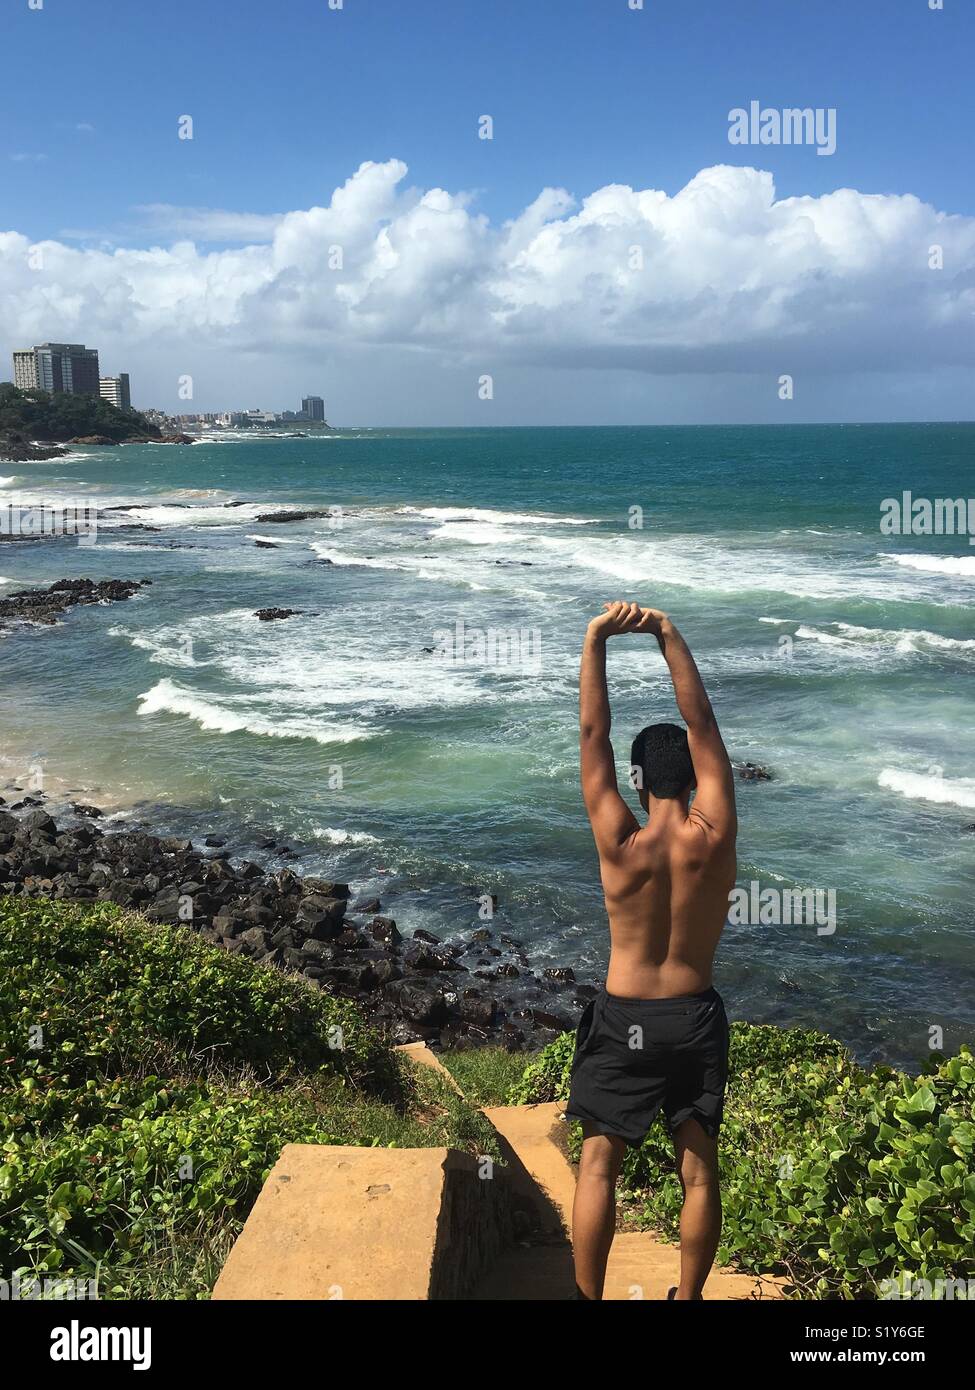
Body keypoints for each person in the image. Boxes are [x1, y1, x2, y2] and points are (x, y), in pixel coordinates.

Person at [567, 601, 737, 1300]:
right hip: (693, 1015)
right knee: (697, 1171)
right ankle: (688, 1300)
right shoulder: (714, 834)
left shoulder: (620, 840)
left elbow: (591, 733)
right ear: (696, 777)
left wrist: (595, 639)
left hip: (624, 1015)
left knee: (599, 1166)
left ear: (637, 780)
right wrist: (668, 634)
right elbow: (703, 725)